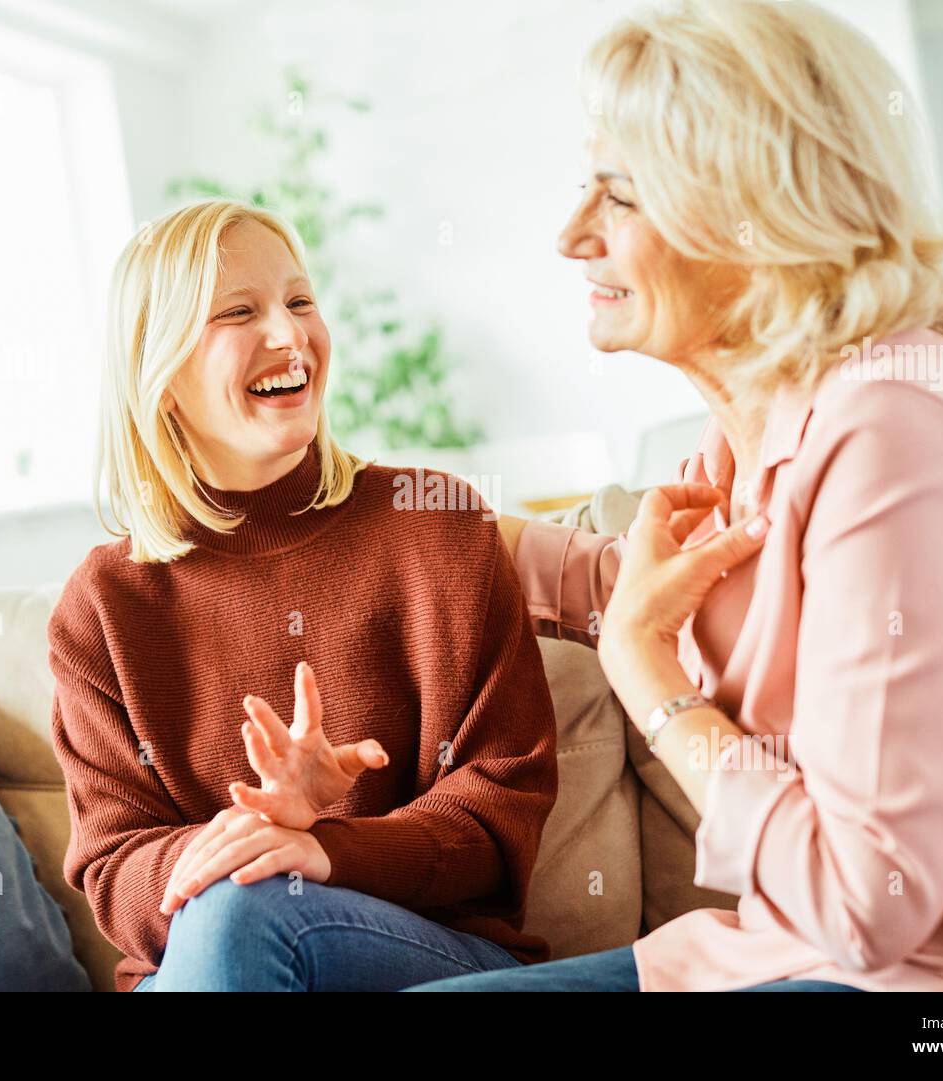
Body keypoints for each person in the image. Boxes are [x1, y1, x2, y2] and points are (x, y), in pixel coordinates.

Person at [405, 0, 943, 991]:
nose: (570, 236)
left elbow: (875, 900)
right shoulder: (760, 425)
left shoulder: (892, 433)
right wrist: (361, 500)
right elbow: (655, 585)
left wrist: (647, 677)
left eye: (618, 197)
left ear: (753, 212)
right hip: (775, 953)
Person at [47, 198, 559, 991]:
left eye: (300, 301)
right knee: (227, 914)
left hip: (427, 960)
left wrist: (324, 848)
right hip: (202, 965)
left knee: (238, 911)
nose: (289, 336)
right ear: (163, 375)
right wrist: (243, 836)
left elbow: (500, 813)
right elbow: (116, 871)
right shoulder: (104, 606)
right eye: (239, 312)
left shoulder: (438, 527)